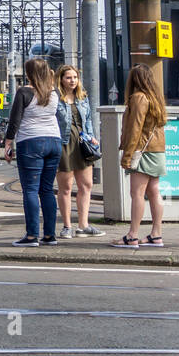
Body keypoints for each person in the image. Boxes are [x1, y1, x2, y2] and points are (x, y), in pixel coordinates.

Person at [3, 58, 63, 246]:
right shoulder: (55, 93)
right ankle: (49, 235)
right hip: (54, 142)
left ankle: (31, 236)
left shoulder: (24, 92)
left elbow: (15, 121)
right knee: (47, 190)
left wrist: (7, 144)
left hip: (31, 142)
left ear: (28, 73)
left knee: (30, 189)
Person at [113, 64, 168, 249]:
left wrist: (127, 155)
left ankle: (132, 236)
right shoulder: (156, 98)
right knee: (154, 192)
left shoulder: (138, 98)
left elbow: (135, 129)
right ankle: (156, 234)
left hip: (142, 151)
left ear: (133, 79)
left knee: (136, 193)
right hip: (157, 150)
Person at [54, 65, 104, 238]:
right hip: (64, 144)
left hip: (83, 144)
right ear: (61, 79)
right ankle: (67, 226)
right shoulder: (55, 98)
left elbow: (88, 119)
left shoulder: (82, 97)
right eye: (68, 77)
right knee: (65, 187)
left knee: (86, 185)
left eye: (75, 77)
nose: (73, 80)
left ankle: (83, 225)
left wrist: (92, 137)